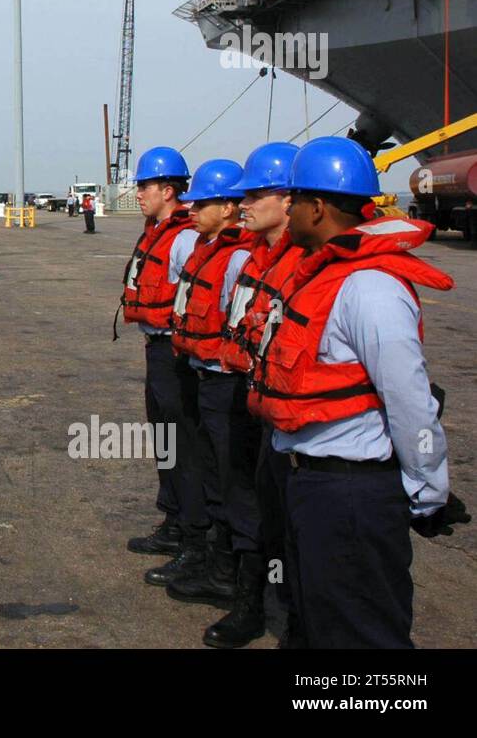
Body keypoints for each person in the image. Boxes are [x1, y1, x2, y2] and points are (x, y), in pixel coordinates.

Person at [251, 136, 469, 648]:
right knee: (315, 624)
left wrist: (427, 493)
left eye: (295, 200)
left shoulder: (370, 289)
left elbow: (410, 402)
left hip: (349, 491)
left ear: (318, 207)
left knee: (363, 636)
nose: (290, 210)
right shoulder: (322, 276)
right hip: (309, 483)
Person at [213, 141, 304, 648]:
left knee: (289, 520)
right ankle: (250, 602)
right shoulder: (255, 259)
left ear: (289, 199)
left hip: (290, 417)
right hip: (250, 396)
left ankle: (288, 615)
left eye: (255, 195)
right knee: (250, 502)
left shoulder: (307, 266)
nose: (242, 204)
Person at [163, 159, 258, 637]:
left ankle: (232, 579)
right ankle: (217, 566)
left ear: (227, 207)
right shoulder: (208, 247)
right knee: (212, 471)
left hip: (225, 380)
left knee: (231, 479)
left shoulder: (239, 257)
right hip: (204, 372)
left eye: (202, 203)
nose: (192, 209)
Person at [119, 147, 208, 572]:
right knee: (167, 441)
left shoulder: (185, 238)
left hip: (176, 354)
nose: (138, 194)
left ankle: (195, 539)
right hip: (157, 351)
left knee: (185, 446)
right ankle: (173, 519)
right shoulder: (157, 230)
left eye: (144, 186)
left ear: (168, 190)